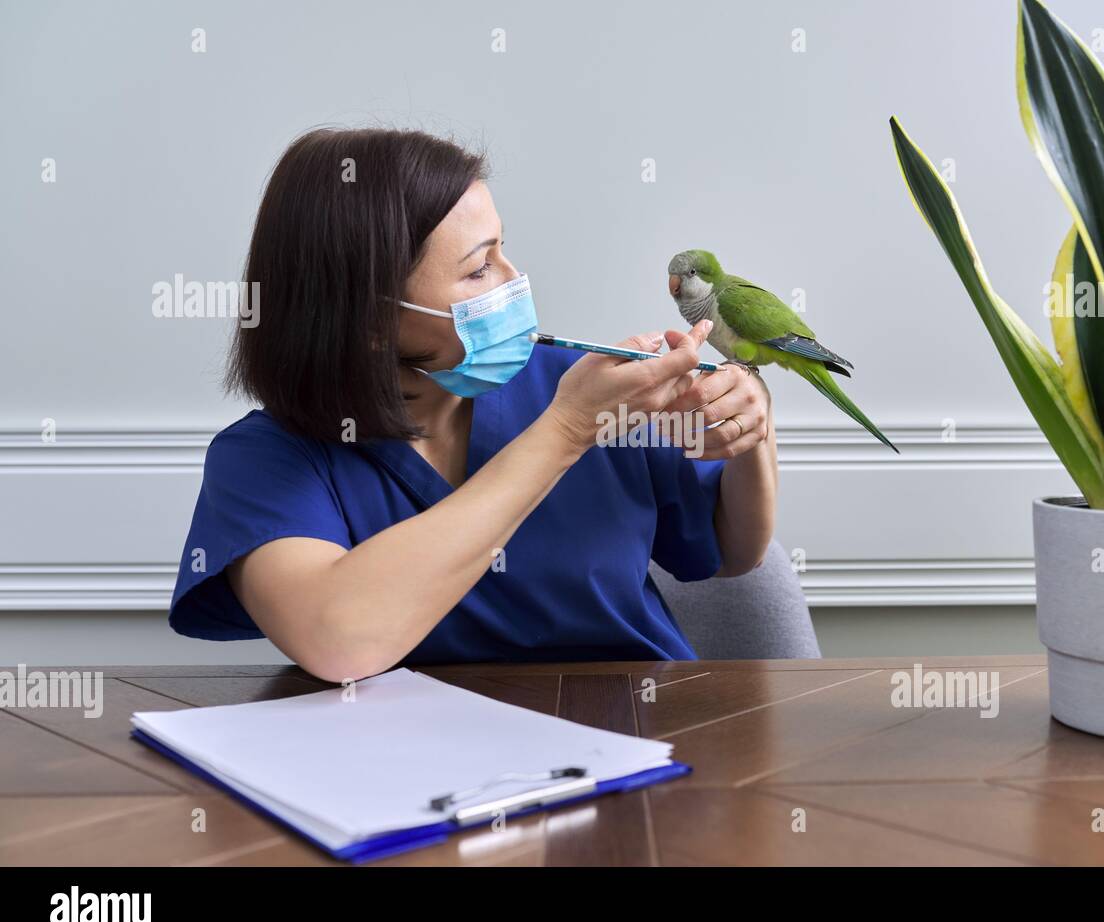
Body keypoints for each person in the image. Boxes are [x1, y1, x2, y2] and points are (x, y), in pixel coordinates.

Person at [169, 128, 778, 680]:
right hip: (404, 782)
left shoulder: (584, 383)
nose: (514, 279)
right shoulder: (266, 461)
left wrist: (749, 422)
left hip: (641, 748)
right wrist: (565, 432)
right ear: (373, 319)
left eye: (503, 249)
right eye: (480, 268)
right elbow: (338, 640)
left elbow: (733, 550)